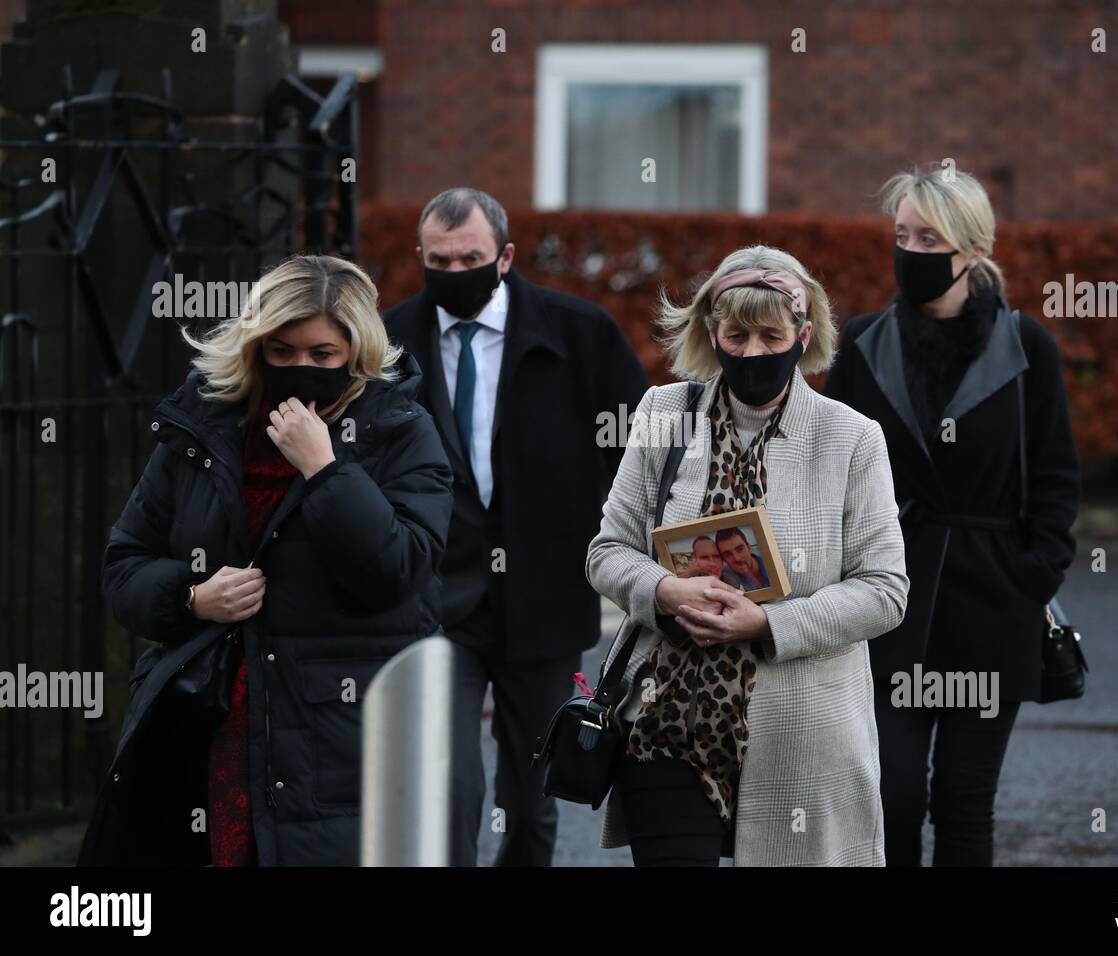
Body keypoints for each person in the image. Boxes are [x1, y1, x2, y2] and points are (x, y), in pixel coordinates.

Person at [80, 255, 454, 866]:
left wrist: (326, 470)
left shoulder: (400, 432)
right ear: (255, 347)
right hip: (213, 725)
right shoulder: (204, 429)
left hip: (339, 739)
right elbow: (124, 565)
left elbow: (402, 570)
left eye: (321, 355)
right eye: (281, 352)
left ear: (355, 352)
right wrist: (191, 597)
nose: (299, 368)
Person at [587, 246, 909, 866]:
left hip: (800, 738)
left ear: (803, 335)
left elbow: (885, 589)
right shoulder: (662, 413)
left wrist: (768, 623)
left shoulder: (853, 438)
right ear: (712, 334)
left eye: (771, 334)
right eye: (736, 334)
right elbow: (608, 551)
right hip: (668, 724)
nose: (754, 352)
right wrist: (665, 592)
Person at [824, 164, 1081, 866]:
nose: (909, 250)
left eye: (927, 236)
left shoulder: (1027, 348)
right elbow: (825, 469)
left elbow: (1057, 477)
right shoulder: (865, 344)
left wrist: (1033, 573)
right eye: (901, 234)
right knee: (892, 793)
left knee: (966, 801)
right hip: (885, 603)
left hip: (993, 607)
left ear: (971, 249)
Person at [383, 187, 649, 866]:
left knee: (532, 806)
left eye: (469, 257)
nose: (454, 271)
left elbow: (641, 459)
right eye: (438, 260)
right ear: (421, 257)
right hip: (438, 602)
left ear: (503, 256)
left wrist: (637, 559)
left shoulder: (577, 332)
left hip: (546, 602)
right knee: (447, 790)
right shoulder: (387, 342)